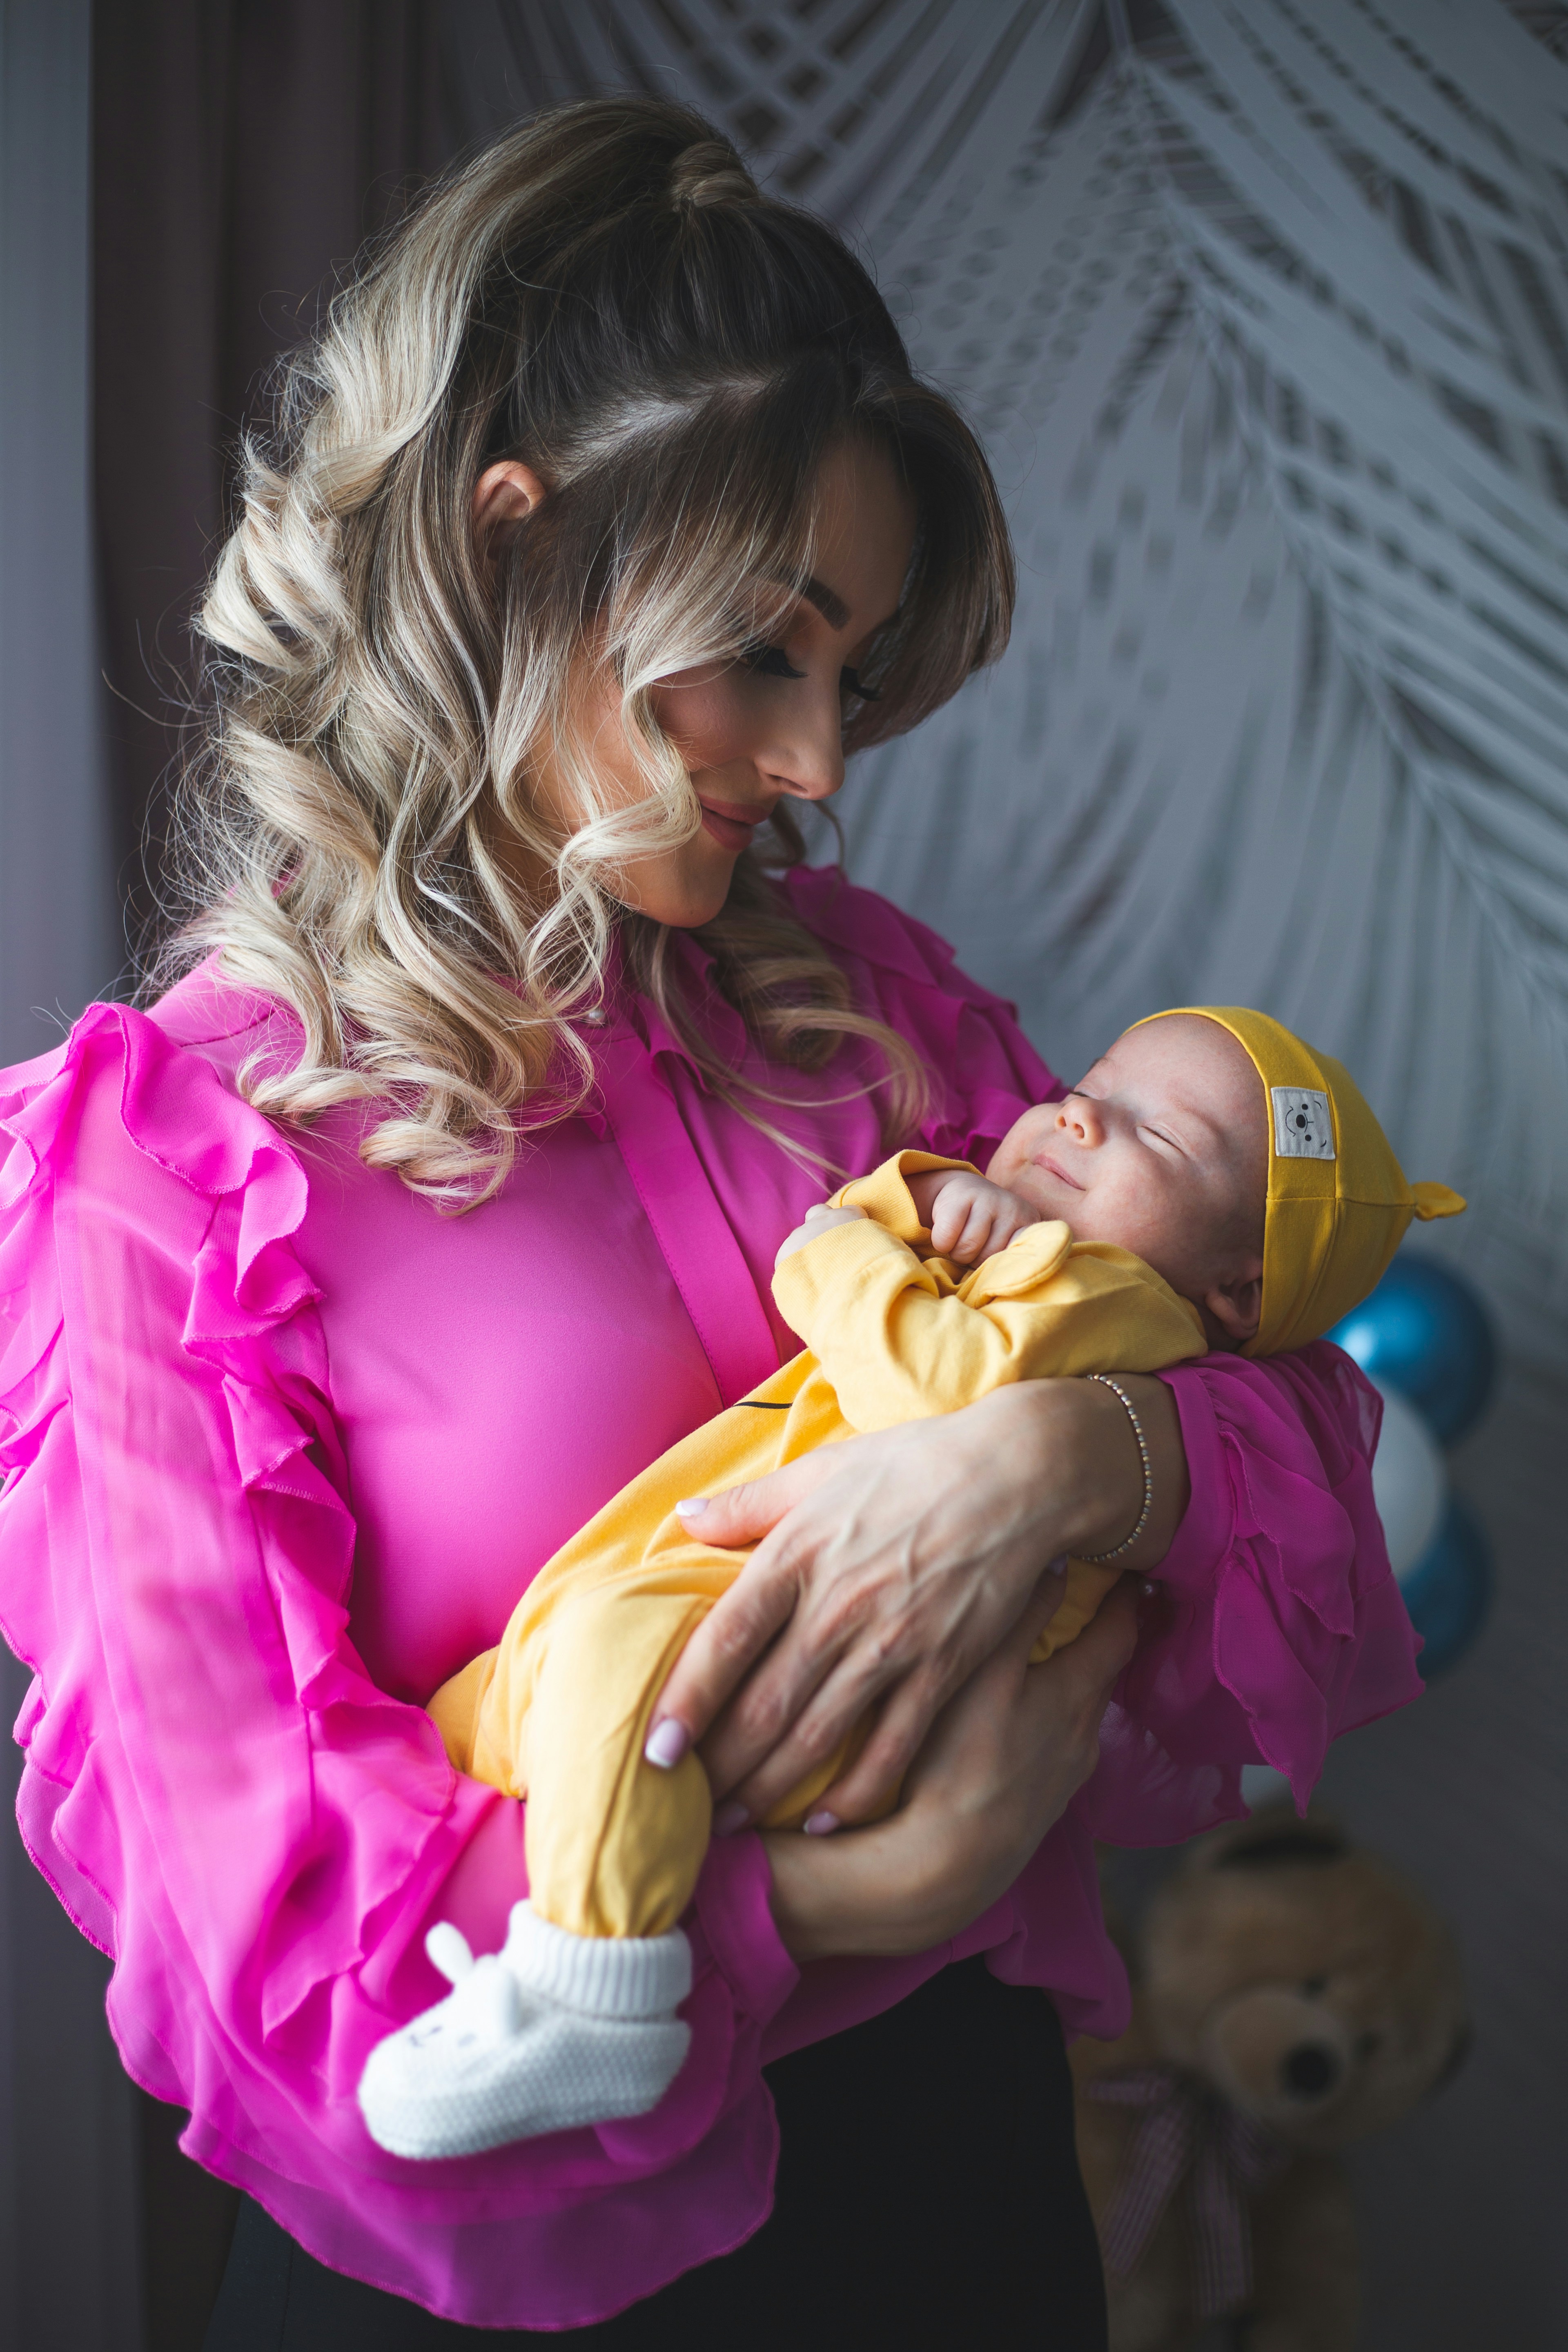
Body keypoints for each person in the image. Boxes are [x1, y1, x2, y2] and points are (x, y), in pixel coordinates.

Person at [0, 98, 1423, 2346]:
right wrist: (862, 1892)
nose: (826, 758)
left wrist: (1072, 1458)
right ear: (513, 546)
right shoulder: (164, 1160)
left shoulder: (872, 1009)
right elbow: (260, 1970)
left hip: (960, 2200)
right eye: (766, 652)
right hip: (503, 2259)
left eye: (851, 674)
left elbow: (1327, 1492)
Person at [361, 1008, 1462, 2161]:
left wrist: (849, 1236)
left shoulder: (1107, 1298)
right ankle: (545, 1952)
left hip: (809, 1657)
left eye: (1160, 1135)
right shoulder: (1029, 1257)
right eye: (1093, 1082)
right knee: (524, 1703)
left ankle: (597, 1992)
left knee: (608, 1671)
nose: (1082, 1111)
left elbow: (930, 1385)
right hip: (739, 1617)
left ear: (1236, 1296)